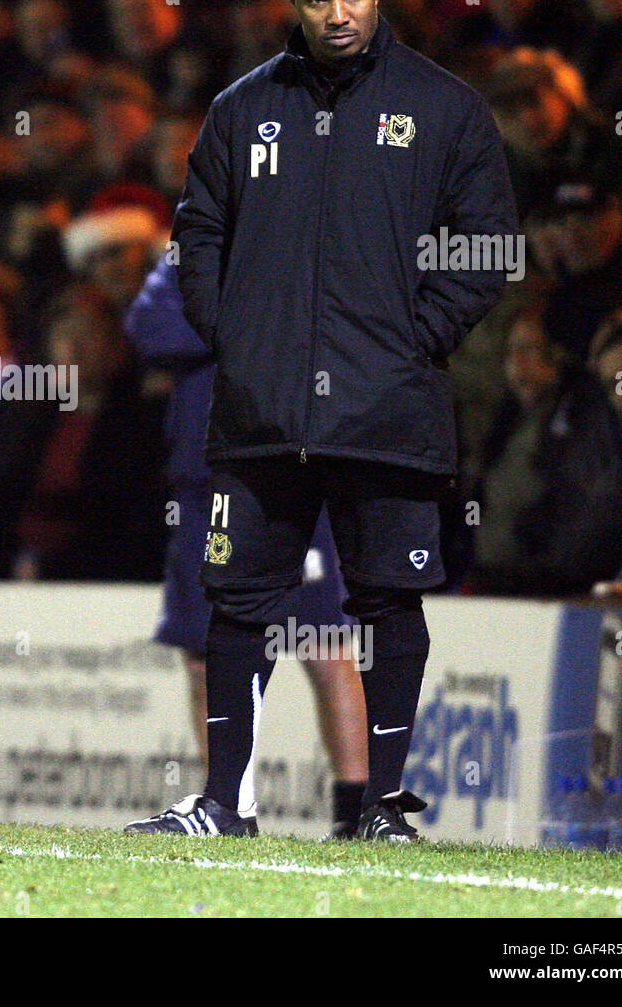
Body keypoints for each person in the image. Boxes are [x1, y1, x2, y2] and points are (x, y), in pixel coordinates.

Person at [125, 0, 517, 842]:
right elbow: (199, 235)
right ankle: (226, 806)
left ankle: (380, 809)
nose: (336, 14)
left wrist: (414, 342)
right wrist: (240, 338)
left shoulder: (444, 108)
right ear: (291, 4)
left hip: (388, 414)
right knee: (237, 604)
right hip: (263, 417)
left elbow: (487, 247)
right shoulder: (240, 109)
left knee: (385, 603)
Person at [126, 252, 369, 839]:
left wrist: (224, 318)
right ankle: (226, 806)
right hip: (199, 477)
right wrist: (254, 316)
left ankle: (359, 814)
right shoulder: (194, 242)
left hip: (285, 461)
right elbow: (147, 326)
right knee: (200, 648)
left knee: (321, 638)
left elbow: (324, 329)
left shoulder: (299, 229)